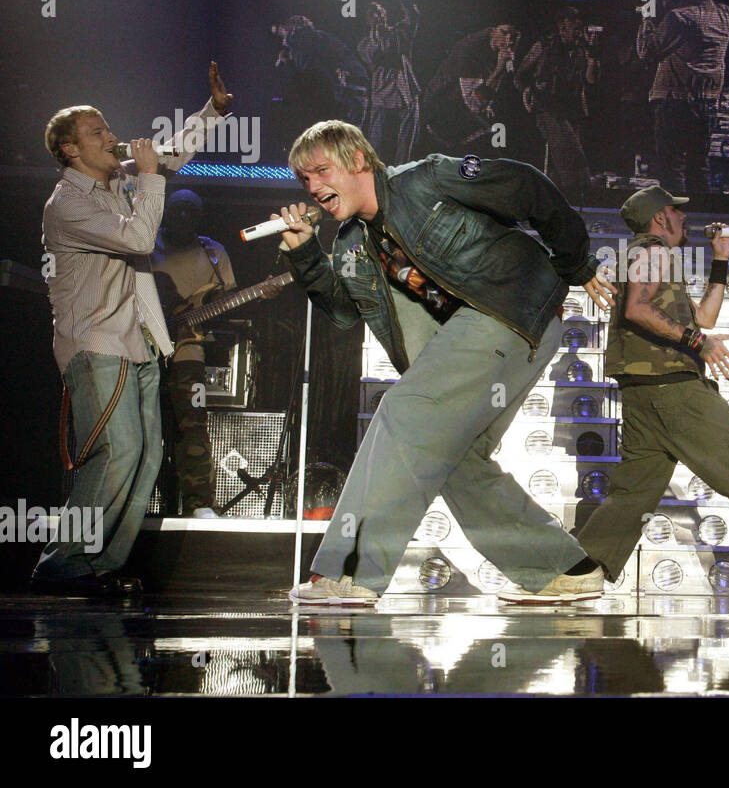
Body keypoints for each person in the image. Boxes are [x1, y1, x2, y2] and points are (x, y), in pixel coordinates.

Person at [275, 120, 615, 605]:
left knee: (405, 411)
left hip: (506, 311)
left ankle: (351, 572)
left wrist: (575, 262)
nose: (312, 187)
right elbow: (344, 313)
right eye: (304, 180)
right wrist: (305, 255)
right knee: (456, 460)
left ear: (356, 160)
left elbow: (526, 185)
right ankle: (563, 569)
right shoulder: (349, 243)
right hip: (483, 342)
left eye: (320, 171)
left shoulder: (426, 180)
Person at [563, 185, 729, 599]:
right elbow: (637, 309)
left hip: (643, 395)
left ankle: (578, 571)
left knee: (634, 493)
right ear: (660, 218)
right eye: (676, 211)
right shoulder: (650, 252)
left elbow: (702, 316)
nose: (684, 217)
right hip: (673, 391)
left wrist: (720, 261)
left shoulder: (652, 256)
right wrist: (699, 344)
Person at [33, 62, 232, 595]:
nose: (112, 136)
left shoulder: (119, 180)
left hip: (138, 340)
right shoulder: (68, 204)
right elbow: (142, 239)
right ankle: (62, 561)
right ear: (71, 150)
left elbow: (172, 152)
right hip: (97, 344)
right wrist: (148, 177)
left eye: (106, 127)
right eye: (97, 132)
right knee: (115, 453)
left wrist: (212, 112)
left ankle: (100, 567)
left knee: (144, 458)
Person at [151, 190, 236, 518]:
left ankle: (199, 503)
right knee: (144, 428)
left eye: (190, 209)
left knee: (194, 425)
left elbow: (225, 301)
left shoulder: (214, 253)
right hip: (143, 348)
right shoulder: (146, 244)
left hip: (190, 351)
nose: (183, 215)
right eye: (177, 209)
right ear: (166, 213)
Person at [636, 0, 729, 194]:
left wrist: (647, 18)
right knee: (699, 166)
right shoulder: (726, 14)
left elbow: (646, 52)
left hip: (675, 101)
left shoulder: (679, 17)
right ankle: (703, 220)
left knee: (672, 168)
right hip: (708, 102)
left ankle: (676, 223)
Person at [514, 7, 598, 200]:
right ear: (562, 27)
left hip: (572, 110)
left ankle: (557, 201)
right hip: (547, 107)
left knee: (564, 161)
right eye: (575, 28)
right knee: (570, 159)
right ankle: (573, 199)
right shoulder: (543, 47)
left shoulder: (581, 50)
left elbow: (591, 80)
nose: (579, 33)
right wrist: (527, 92)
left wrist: (592, 55)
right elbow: (520, 76)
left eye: (581, 28)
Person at [420, 24, 520, 154]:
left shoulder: (494, 48)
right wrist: (499, 68)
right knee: (498, 142)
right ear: (494, 31)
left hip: (462, 112)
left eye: (513, 37)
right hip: (444, 119)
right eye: (505, 33)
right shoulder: (470, 51)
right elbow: (474, 104)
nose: (509, 40)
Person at [358, 0, 421, 166]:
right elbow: (375, 55)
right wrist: (376, 36)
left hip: (406, 90)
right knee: (376, 140)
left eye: (379, 12)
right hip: (382, 95)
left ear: (385, 14)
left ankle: (404, 172)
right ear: (367, 20)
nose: (377, 16)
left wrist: (404, 0)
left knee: (407, 140)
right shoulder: (364, 44)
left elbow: (414, 18)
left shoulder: (400, 32)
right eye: (372, 14)